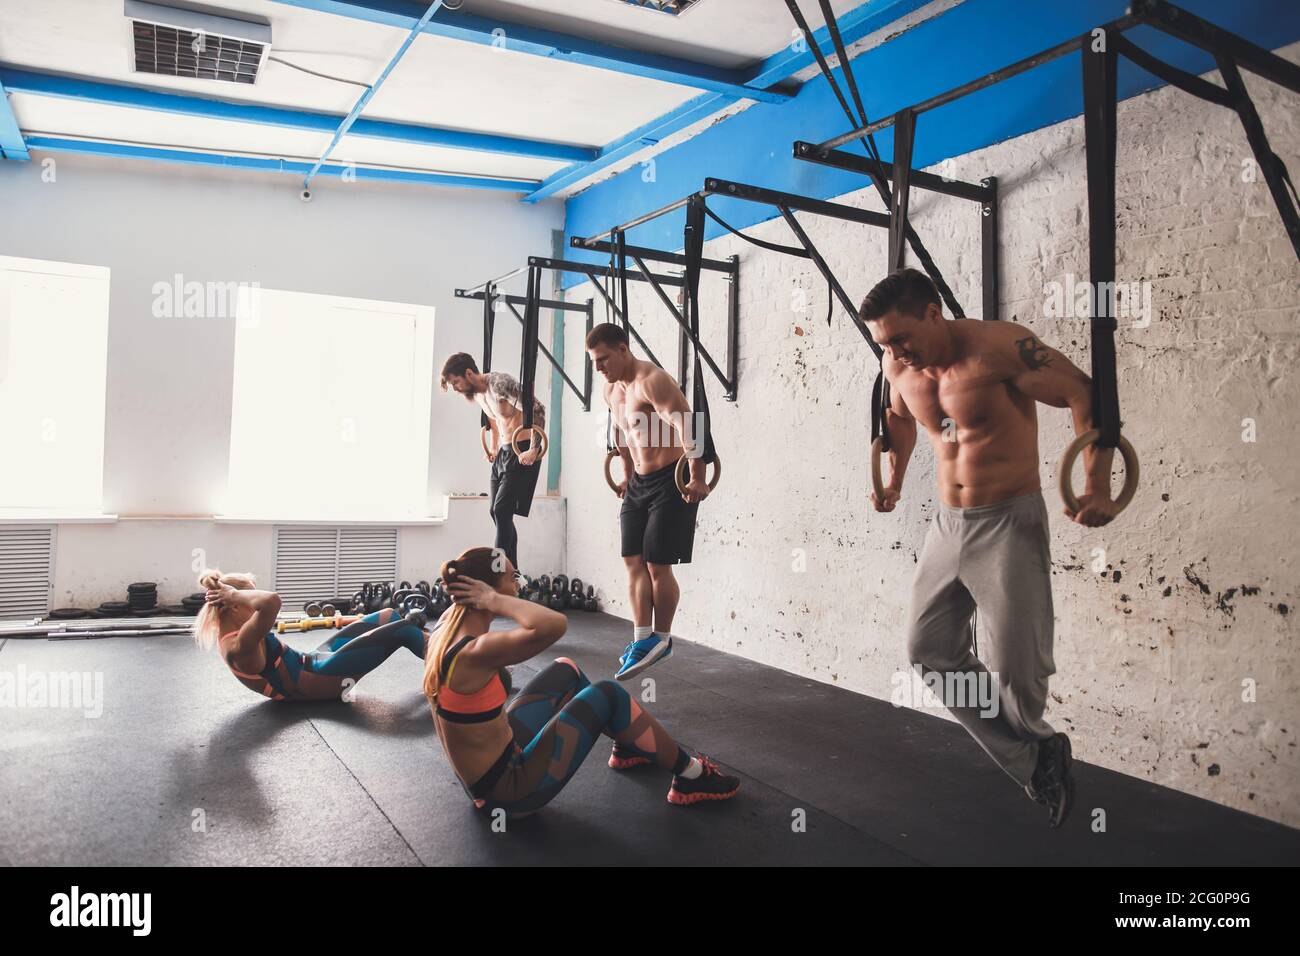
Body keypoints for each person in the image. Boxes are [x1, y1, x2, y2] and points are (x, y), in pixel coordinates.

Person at [864, 267, 1124, 828]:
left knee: (1017, 672)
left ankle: (1033, 744)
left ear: (934, 312)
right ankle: (1035, 757)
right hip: (947, 523)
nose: (894, 350)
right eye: (884, 342)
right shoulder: (896, 364)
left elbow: (1081, 390)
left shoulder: (998, 348)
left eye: (901, 336)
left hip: (1009, 520)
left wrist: (1097, 482)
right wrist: (894, 478)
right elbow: (903, 420)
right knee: (926, 648)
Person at [423, 546, 739, 815]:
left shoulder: (447, 625)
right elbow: (553, 625)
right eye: (511, 576)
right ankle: (691, 776)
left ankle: (631, 743)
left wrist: (490, 598)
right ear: (484, 590)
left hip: (493, 761)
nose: (518, 582)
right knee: (609, 694)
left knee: (567, 669)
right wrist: (495, 600)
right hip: (507, 791)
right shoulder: (471, 652)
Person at [585, 323, 709, 680]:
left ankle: (663, 638)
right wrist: (625, 473)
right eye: (594, 361)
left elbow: (690, 426)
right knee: (632, 559)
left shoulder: (652, 380)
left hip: (672, 480)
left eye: (603, 359)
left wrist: (697, 476)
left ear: (623, 349)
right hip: (639, 483)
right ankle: (642, 638)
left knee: (657, 564)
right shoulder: (612, 391)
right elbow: (623, 434)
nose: (599, 368)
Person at [194, 570, 428, 701]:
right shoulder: (239, 646)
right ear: (235, 606)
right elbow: (271, 601)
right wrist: (236, 594)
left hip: (313, 660)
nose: (253, 605)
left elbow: (265, 602)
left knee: (387, 615)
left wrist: (237, 594)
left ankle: (436, 643)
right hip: (321, 683)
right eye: (248, 600)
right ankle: (448, 663)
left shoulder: (238, 631)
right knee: (404, 630)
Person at [440, 353, 545, 573]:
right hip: (503, 454)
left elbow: (537, 409)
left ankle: (499, 572)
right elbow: (495, 419)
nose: (456, 389)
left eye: (456, 382)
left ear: (469, 373)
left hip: (522, 450)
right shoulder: (477, 394)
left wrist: (535, 449)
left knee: (501, 510)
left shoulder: (500, 383)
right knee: (495, 511)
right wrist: (495, 445)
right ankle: (513, 572)